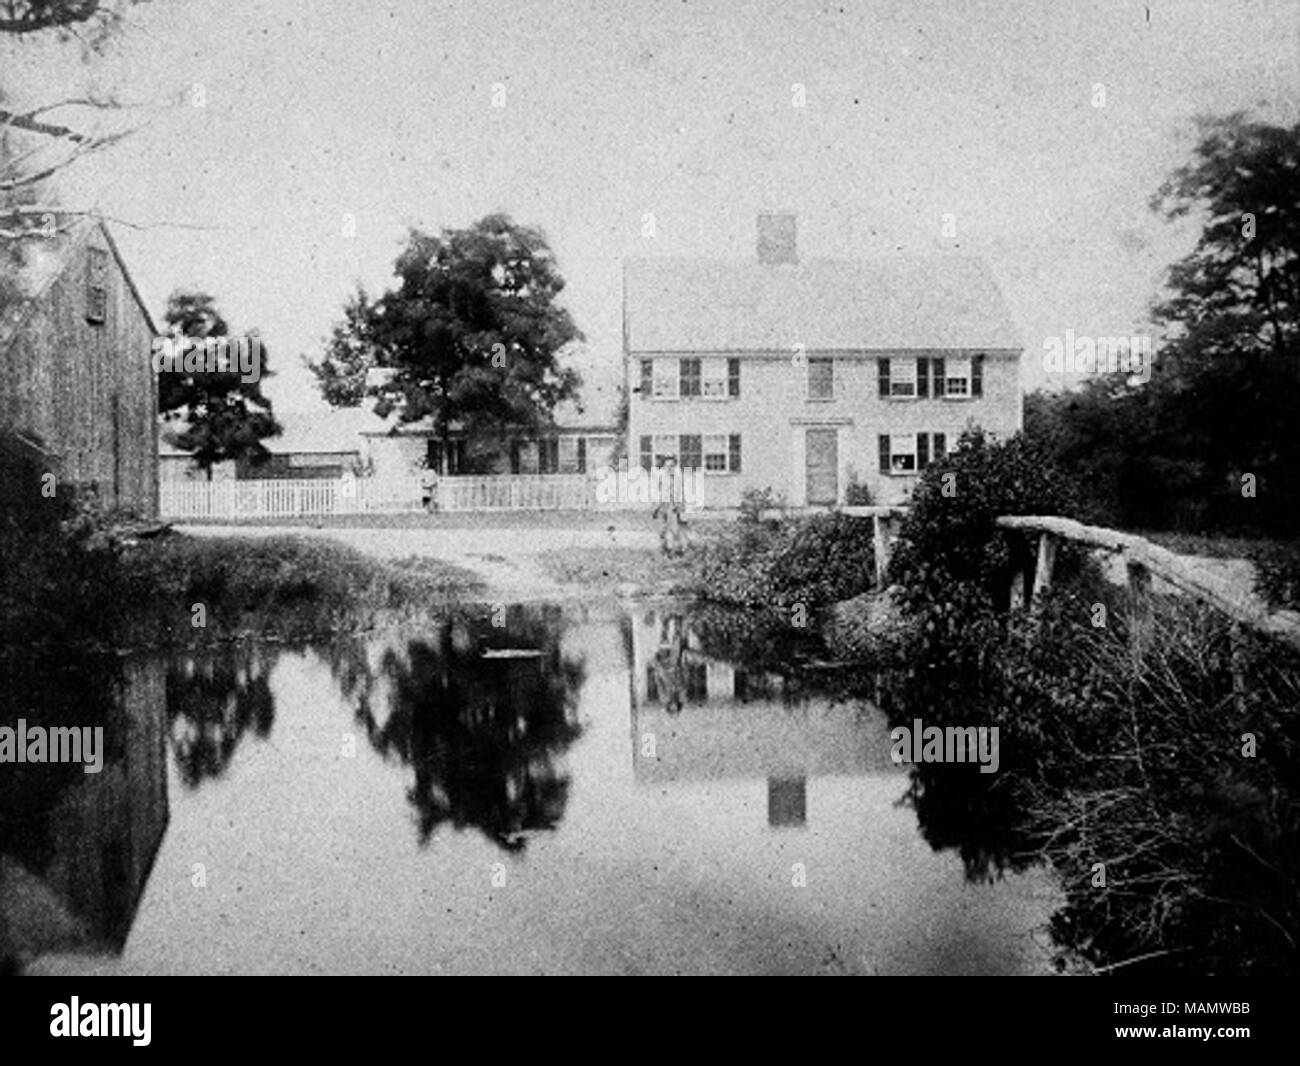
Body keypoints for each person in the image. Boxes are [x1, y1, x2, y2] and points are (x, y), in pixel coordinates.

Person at [651, 458, 686, 556]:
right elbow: (655, 491)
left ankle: (676, 550)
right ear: (664, 467)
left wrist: (679, 505)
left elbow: (680, 492)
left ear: (675, 467)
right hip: (662, 504)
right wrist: (655, 507)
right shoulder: (660, 476)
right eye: (667, 466)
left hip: (672, 505)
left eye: (672, 466)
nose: (669, 468)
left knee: (674, 529)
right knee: (662, 529)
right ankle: (664, 549)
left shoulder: (678, 477)